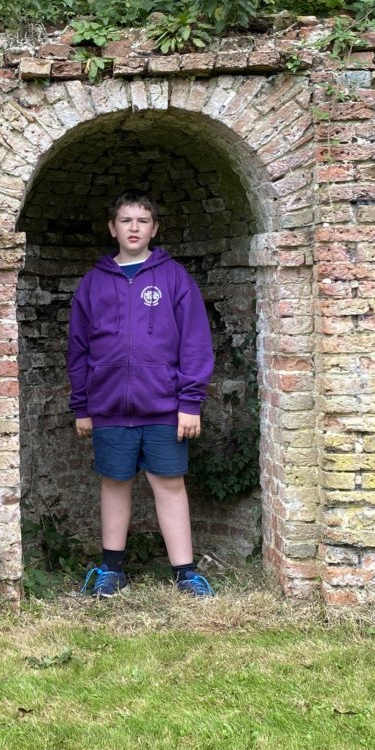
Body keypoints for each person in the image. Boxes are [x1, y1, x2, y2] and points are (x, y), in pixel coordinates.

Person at [67, 191, 217, 598]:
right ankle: (111, 571)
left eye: (143, 221)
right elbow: (78, 349)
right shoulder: (94, 282)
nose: (134, 228)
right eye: (126, 220)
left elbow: (195, 342)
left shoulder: (174, 278)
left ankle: (186, 574)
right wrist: (82, 406)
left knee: (169, 484)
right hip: (109, 407)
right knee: (115, 483)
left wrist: (190, 402)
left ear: (154, 228)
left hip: (164, 406)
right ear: (112, 228)